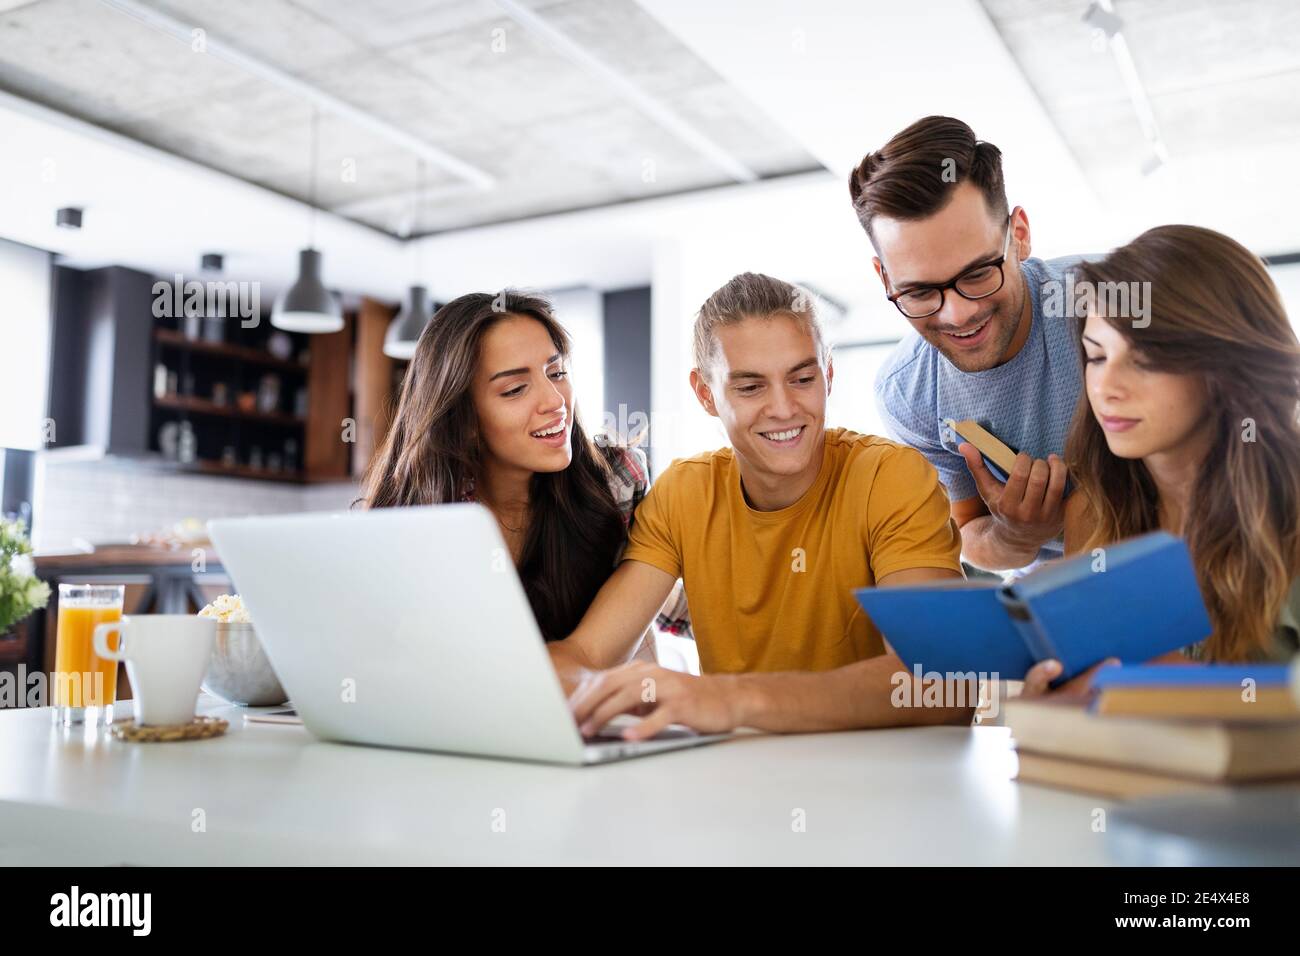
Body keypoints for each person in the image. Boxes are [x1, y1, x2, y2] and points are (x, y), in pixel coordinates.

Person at [548, 272, 975, 739]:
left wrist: (734, 699)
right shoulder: (684, 493)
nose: (784, 408)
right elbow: (585, 655)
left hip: (884, 785)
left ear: (828, 375)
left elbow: (942, 686)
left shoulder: (889, 478)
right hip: (744, 784)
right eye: (750, 387)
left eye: (803, 378)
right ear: (705, 393)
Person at [1021, 225, 1300, 694]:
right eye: (1096, 356)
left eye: (1144, 360)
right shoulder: (1094, 511)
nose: (1106, 388)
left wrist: (1169, 685)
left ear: (1224, 364)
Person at [361, 290, 680, 655]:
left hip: (597, 709)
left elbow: (674, 600)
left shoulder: (613, 482)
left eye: (556, 372)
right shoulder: (411, 520)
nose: (555, 401)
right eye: (515, 390)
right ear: (462, 420)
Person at [854, 115, 1088, 571]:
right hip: (1056, 601)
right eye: (920, 292)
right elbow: (965, 532)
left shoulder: (1111, 302)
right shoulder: (907, 393)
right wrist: (1016, 535)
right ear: (885, 278)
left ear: (1019, 235)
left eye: (979, 273)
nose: (957, 315)